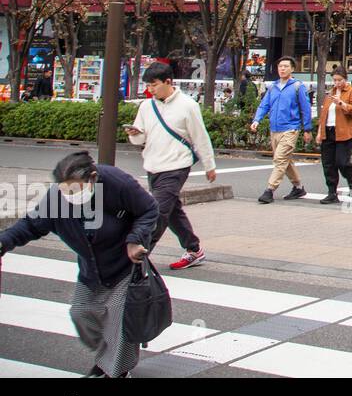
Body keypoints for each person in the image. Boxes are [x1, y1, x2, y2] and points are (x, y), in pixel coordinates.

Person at [0, 151, 157, 377]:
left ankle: (116, 370)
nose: (70, 195)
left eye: (76, 189)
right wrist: (4, 242)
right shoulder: (56, 198)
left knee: (117, 321)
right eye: (66, 190)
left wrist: (135, 240)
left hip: (124, 264)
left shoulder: (117, 183)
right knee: (81, 313)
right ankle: (108, 356)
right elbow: (31, 225)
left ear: (93, 178)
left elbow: (149, 209)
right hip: (91, 268)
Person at [124, 61, 217, 270]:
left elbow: (200, 137)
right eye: (148, 85)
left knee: (157, 211)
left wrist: (209, 165)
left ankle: (138, 257)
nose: (150, 89)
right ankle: (194, 250)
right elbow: (140, 140)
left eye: (154, 85)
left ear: (168, 82)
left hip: (177, 165)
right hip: (153, 164)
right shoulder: (146, 106)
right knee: (172, 211)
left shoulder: (188, 105)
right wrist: (135, 135)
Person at [251, 57, 313, 204]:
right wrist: (256, 120)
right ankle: (298, 187)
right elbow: (264, 105)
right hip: (275, 129)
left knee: (279, 159)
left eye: (285, 66)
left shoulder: (298, 86)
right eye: (280, 66)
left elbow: (306, 109)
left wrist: (307, 128)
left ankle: (269, 190)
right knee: (286, 160)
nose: (282, 69)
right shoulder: (273, 87)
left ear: (292, 69)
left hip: (291, 128)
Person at [317, 70, 352, 204]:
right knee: (328, 164)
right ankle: (332, 192)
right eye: (334, 80)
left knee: (342, 162)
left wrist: (341, 103)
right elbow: (323, 115)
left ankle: (351, 179)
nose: (337, 83)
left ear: (345, 79)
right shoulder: (330, 93)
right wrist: (319, 132)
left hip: (344, 132)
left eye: (339, 80)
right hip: (328, 131)